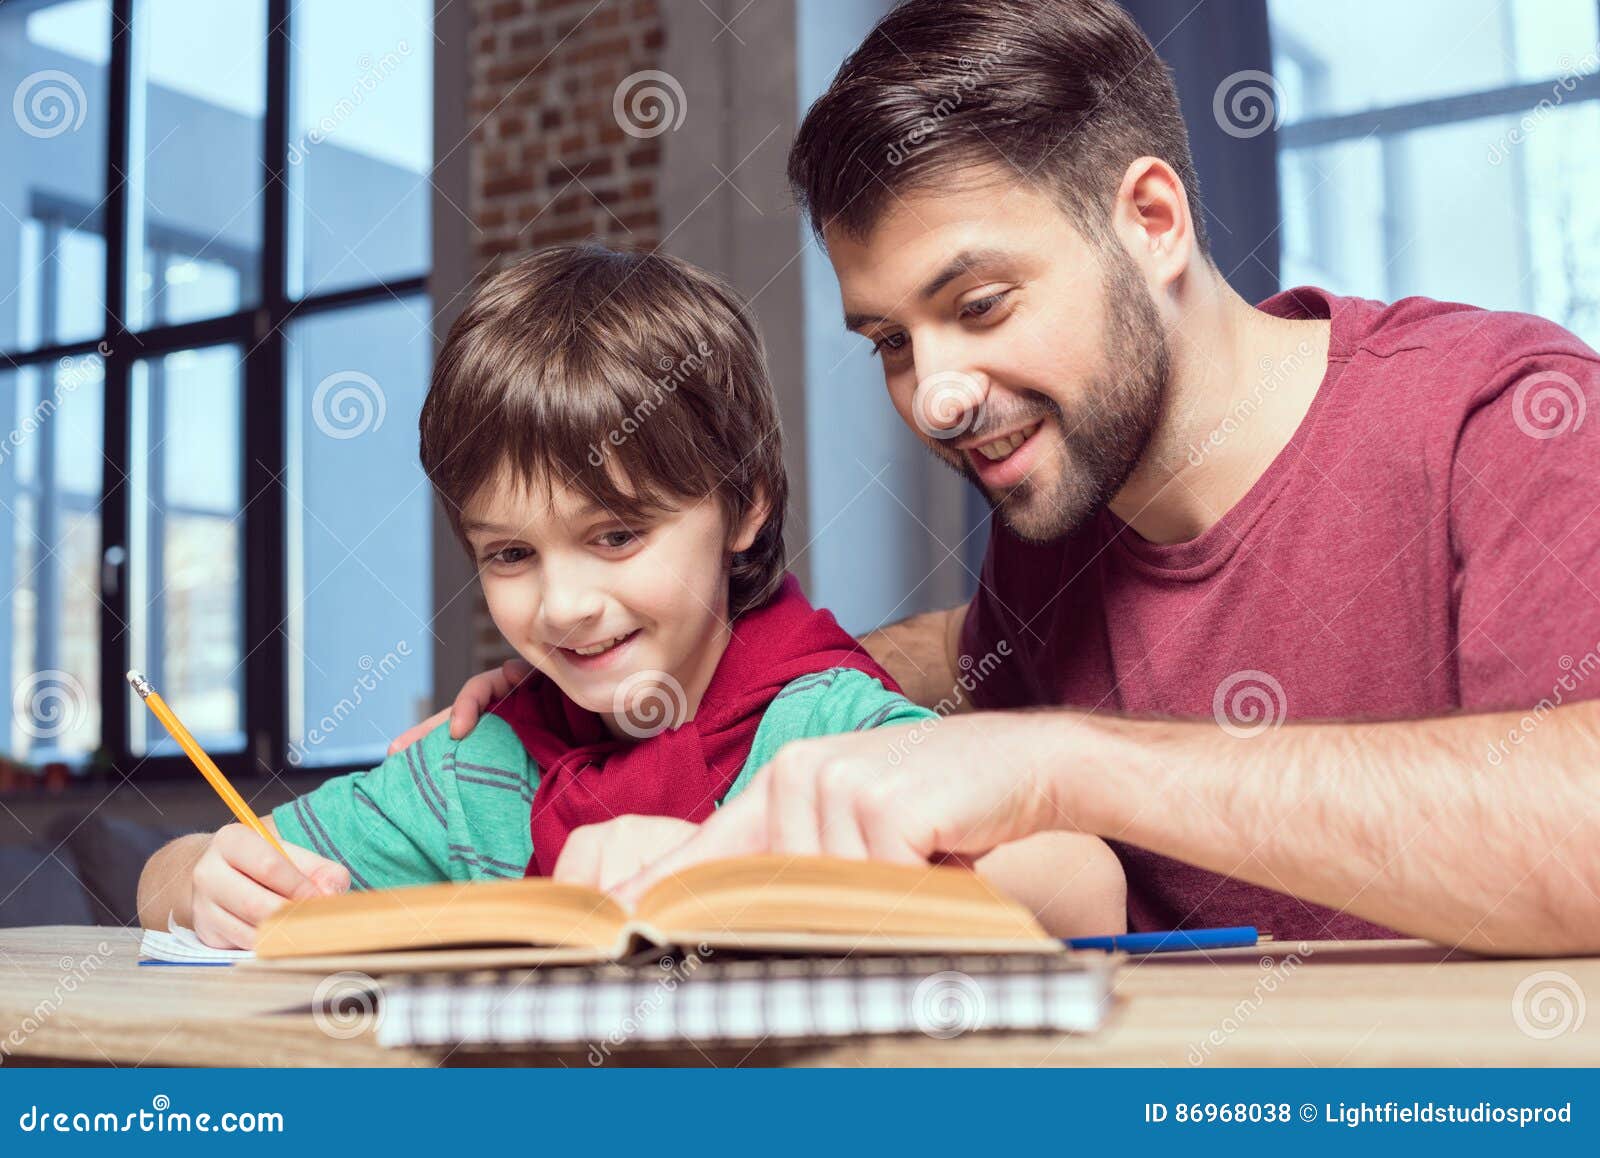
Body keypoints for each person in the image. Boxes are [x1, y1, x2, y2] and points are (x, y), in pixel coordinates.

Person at [406, 0, 1600, 956]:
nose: (935, 396)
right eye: (888, 341)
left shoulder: (1497, 415)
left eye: (979, 305)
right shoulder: (1059, 513)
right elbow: (940, 660)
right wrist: (603, 674)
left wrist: (1061, 759)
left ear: (1150, 219)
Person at [136, 243, 1121, 949]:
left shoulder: (830, 732)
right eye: (512, 555)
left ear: (744, 507)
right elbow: (170, 871)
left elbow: (1082, 887)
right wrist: (204, 883)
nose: (565, 605)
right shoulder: (475, 769)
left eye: (617, 536)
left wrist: (745, 870)